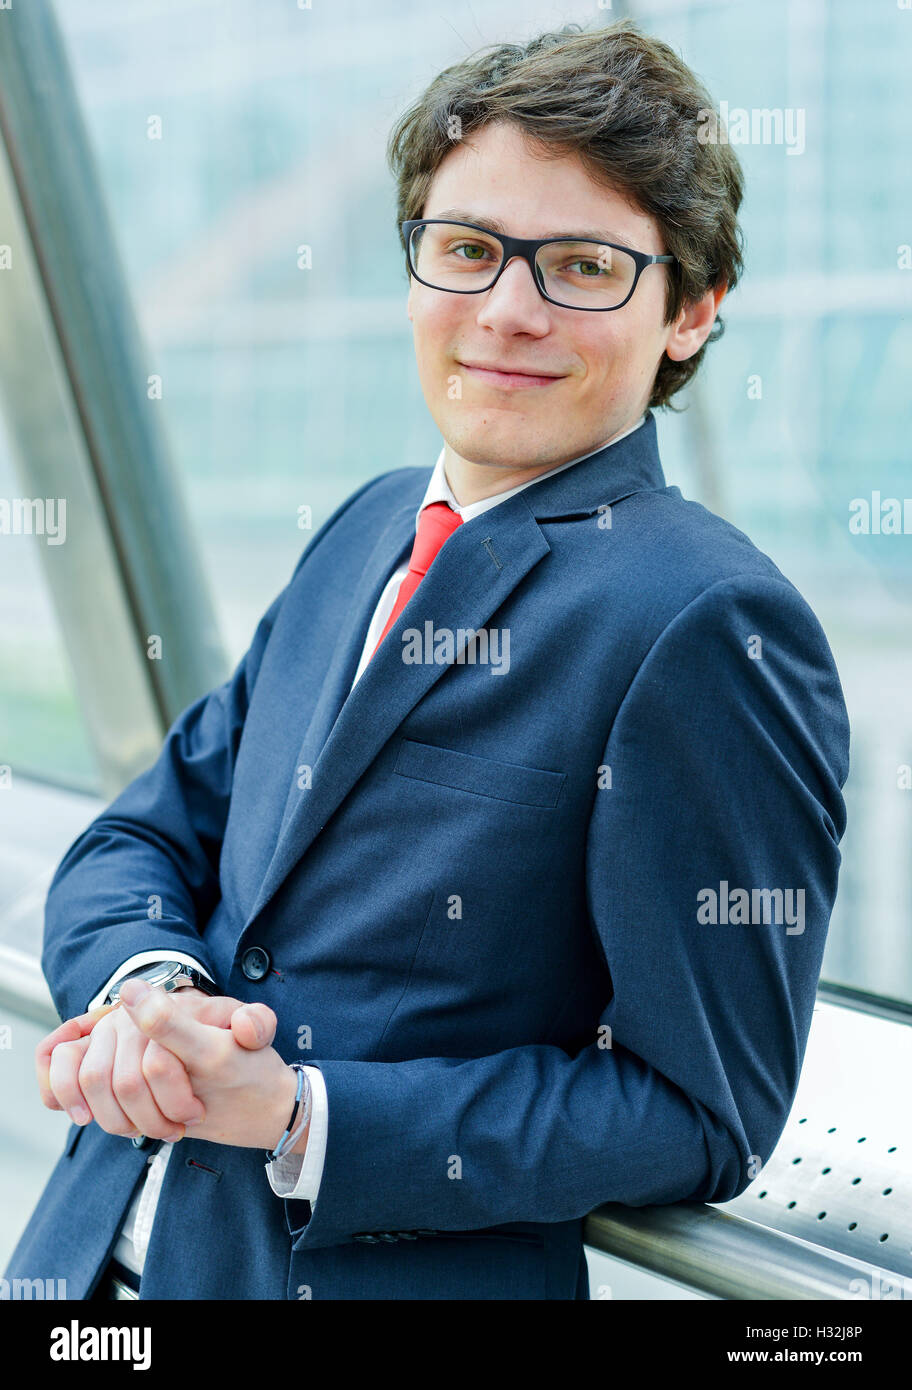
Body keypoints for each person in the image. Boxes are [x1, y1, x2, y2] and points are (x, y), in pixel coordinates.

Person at [5, 19, 849, 1301]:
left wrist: (299, 1113)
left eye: (580, 266)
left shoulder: (710, 621)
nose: (507, 311)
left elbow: (700, 1110)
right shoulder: (366, 526)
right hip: (80, 1273)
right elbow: (150, 829)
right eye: (467, 251)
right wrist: (149, 998)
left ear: (691, 309)